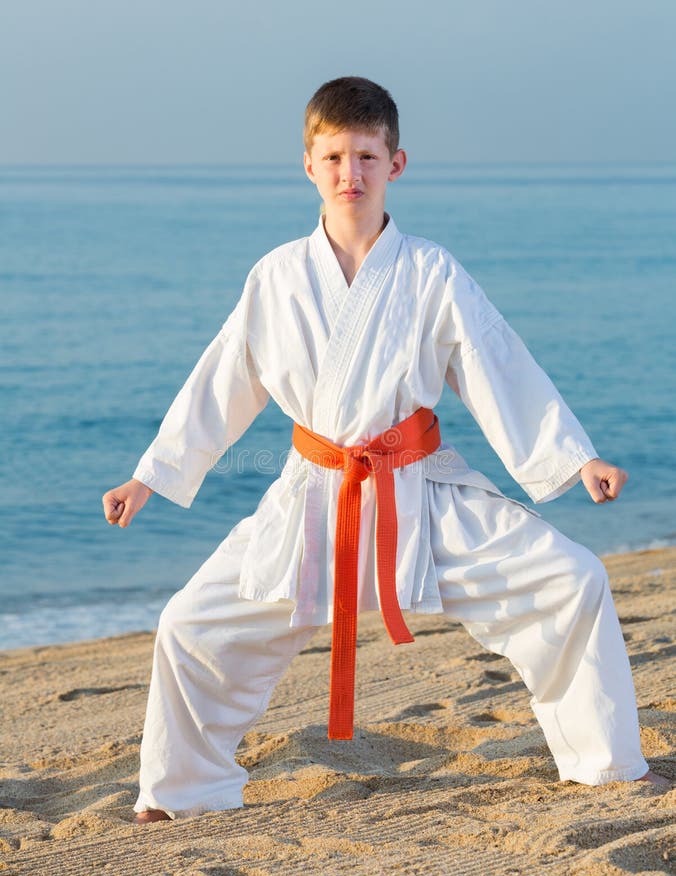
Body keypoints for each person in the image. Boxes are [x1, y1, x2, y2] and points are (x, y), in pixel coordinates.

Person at [102, 76, 668, 823]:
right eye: (334, 156)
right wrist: (151, 476)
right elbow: (222, 382)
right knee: (190, 626)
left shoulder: (431, 271)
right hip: (313, 494)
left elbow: (498, 364)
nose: (351, 174)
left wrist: (572, 459)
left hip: (420, 491)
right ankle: (178, 793)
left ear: (395, 163)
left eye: (367, 156)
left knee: (572, 580)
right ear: (309, 164)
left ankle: (606, 765)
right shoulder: (275, 277)